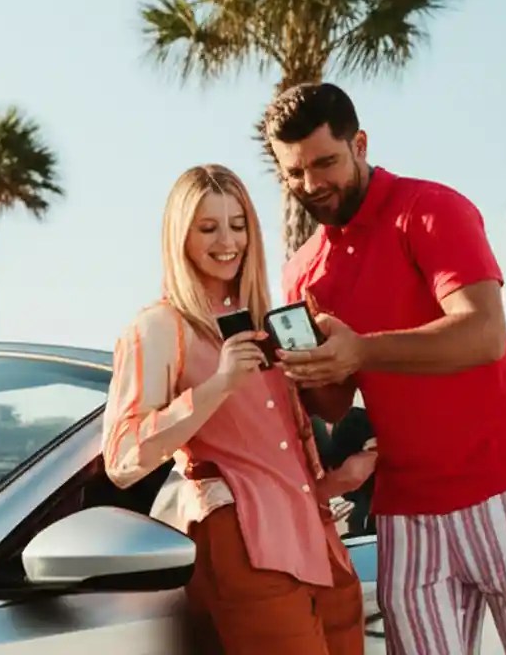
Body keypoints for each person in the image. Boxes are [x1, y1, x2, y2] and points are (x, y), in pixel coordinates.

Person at [262, 83, 506, 655]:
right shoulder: (303, 272)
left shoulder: (430, 210)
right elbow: (336, 406)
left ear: (359, 144)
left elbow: (483, 334)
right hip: (406, 512)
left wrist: (360, 349)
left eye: (326, 163)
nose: (312, 185)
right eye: (294, 173)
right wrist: (304, 370)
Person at [103, 164, 376, 655]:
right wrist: (220, 383)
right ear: (179, 236)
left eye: (238, 224)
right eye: (208, 227)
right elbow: (123, 459)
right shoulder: (161, 327)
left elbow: (283, 445)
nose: (227, 241)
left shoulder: (266, 323)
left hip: (319, 539)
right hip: (244, 542)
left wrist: (342, 474)